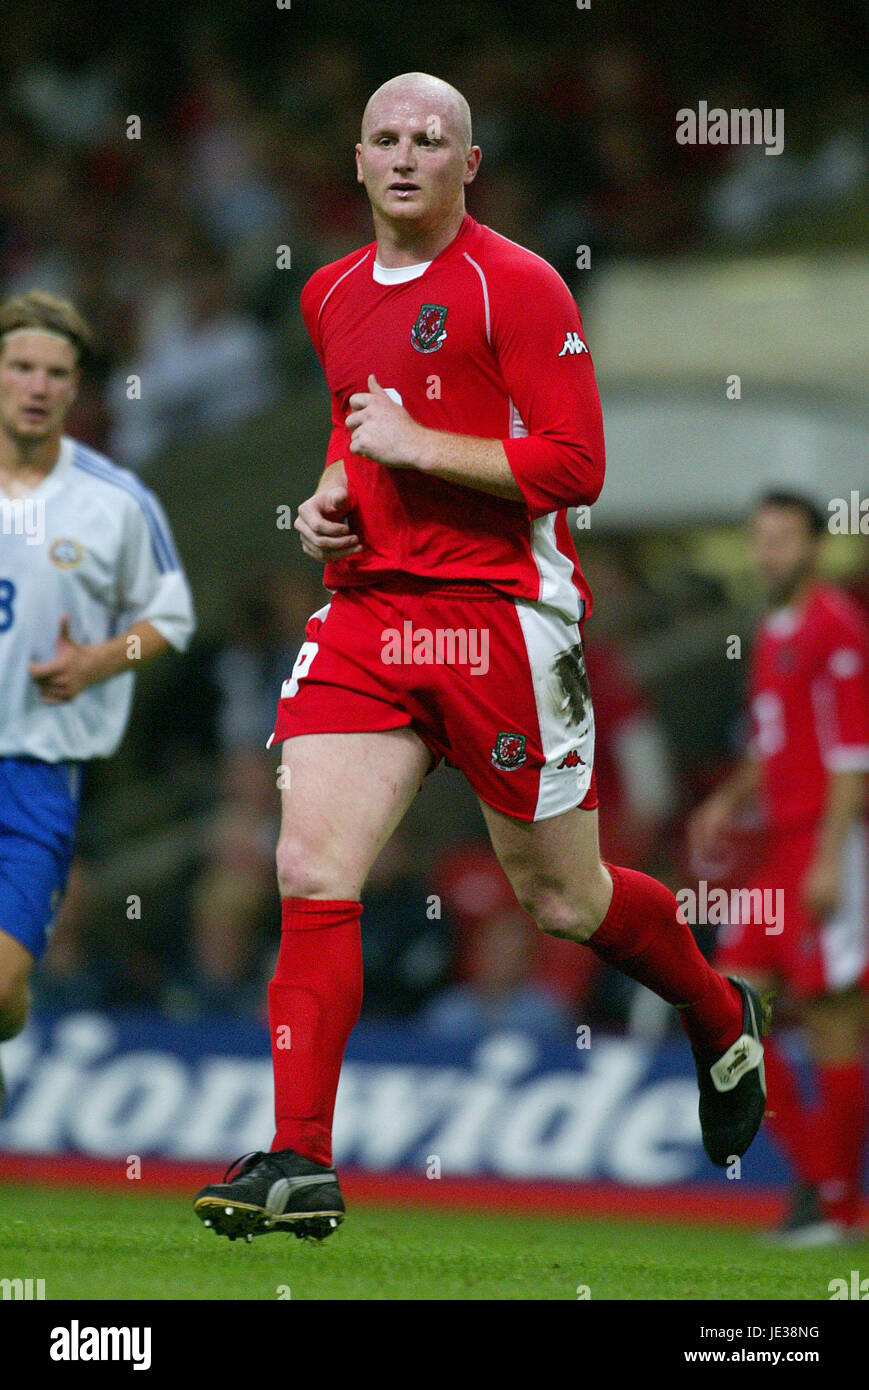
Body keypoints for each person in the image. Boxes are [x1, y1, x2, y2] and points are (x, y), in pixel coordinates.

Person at [194, 73, 767, 1242]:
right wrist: (325, 498)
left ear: (469, 165)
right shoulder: (330, 293)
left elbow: (574, 465)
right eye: (388, 139)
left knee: (563, 897)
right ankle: (301, 1157)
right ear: (355, 161)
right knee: (309, 864)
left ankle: (715, 1012)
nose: (408, 156)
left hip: (499, 616)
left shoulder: (520, 284)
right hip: (368, 617)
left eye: (433, 139)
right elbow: (353, 427)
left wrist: (418, 442)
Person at [0, 290, 195, 1103]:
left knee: (3, 990)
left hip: (39, 773)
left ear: (74, 389)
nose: (38, 386)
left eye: (56, 373)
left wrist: (100, 661)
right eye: (21, 368)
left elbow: (173, 616)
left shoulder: (114, 500)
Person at [691, 492, 869, 1245]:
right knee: (726, 1013)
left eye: (782, 539)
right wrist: (723, 801)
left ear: (813, 547)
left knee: (832, 1022)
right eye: (758, 539)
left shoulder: (836, 627)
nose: (768, 553)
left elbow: (853, 755)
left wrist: (829, 858)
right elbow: (772, 742)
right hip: (774, 852)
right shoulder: (772, 632)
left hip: (826, 845)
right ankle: (816, 1183)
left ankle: (830, 1208)